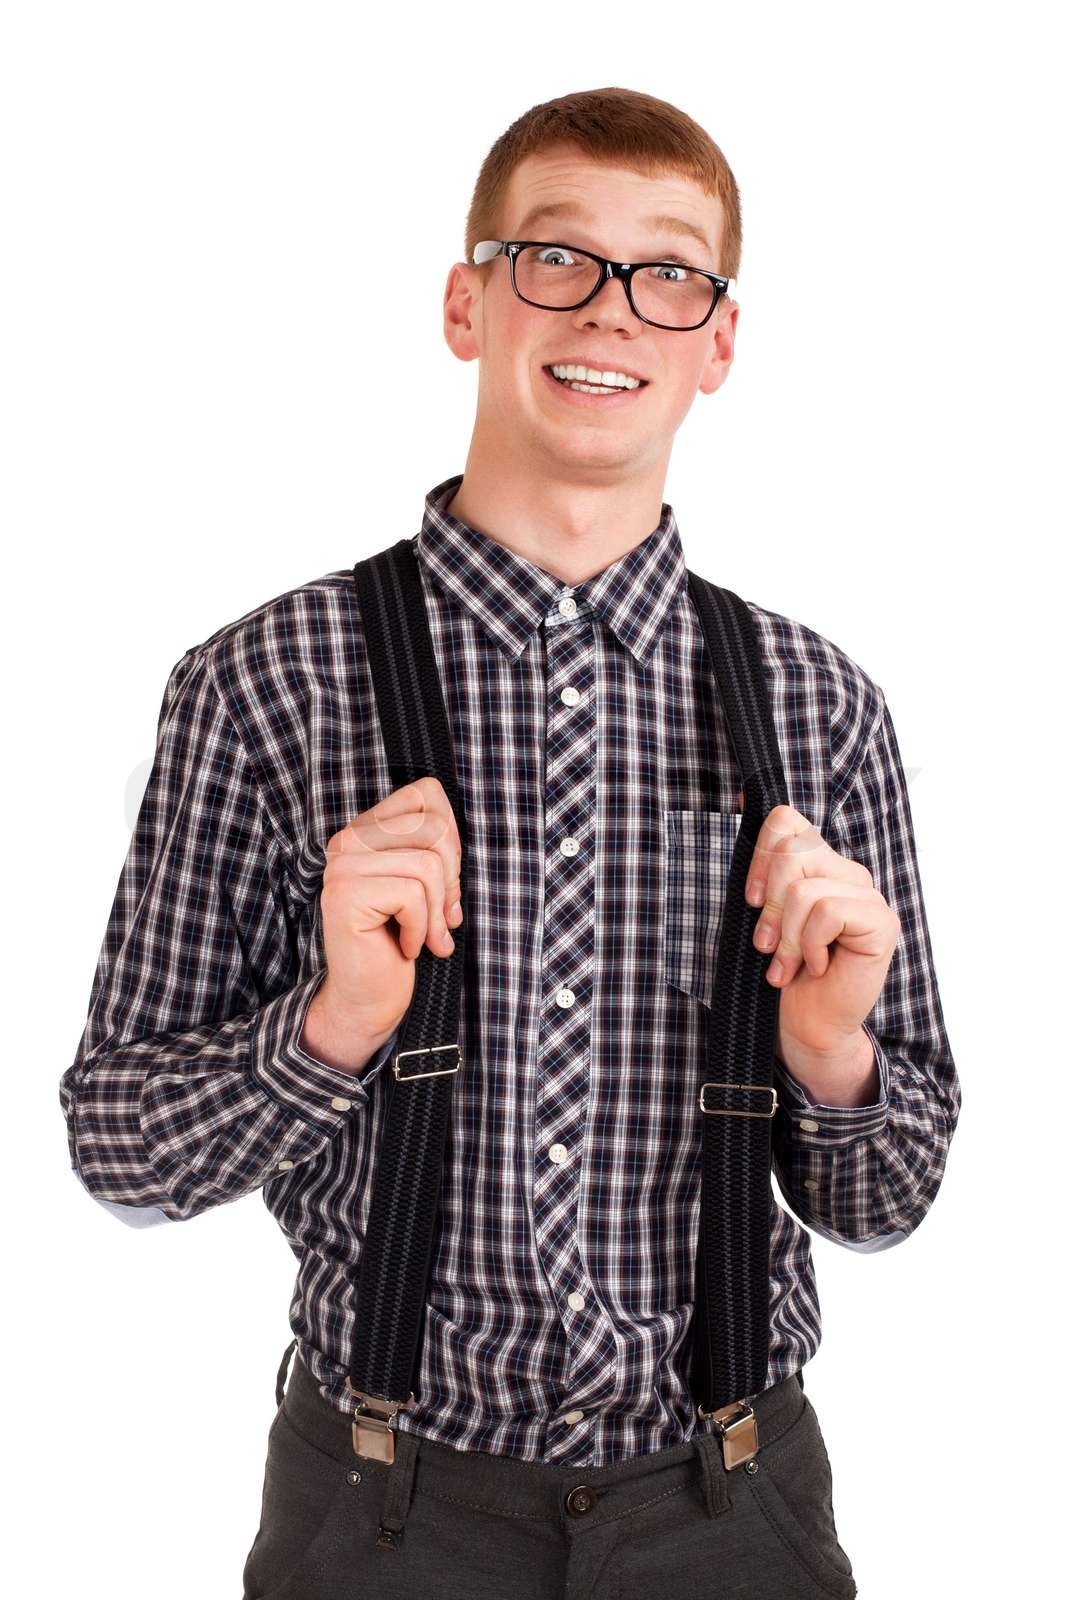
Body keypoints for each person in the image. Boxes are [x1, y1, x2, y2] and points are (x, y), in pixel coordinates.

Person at [59, 86, 961, 1598]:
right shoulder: (268, 680)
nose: (610, 307)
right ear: (469, 303)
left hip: (734, 1517)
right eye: (555, 255)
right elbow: (117, 1147)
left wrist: (831, 1058)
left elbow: (892, 1196)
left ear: (718, 342)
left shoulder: (817, 707)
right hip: (382, 1516)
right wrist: (333, 1026)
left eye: (669, 271)